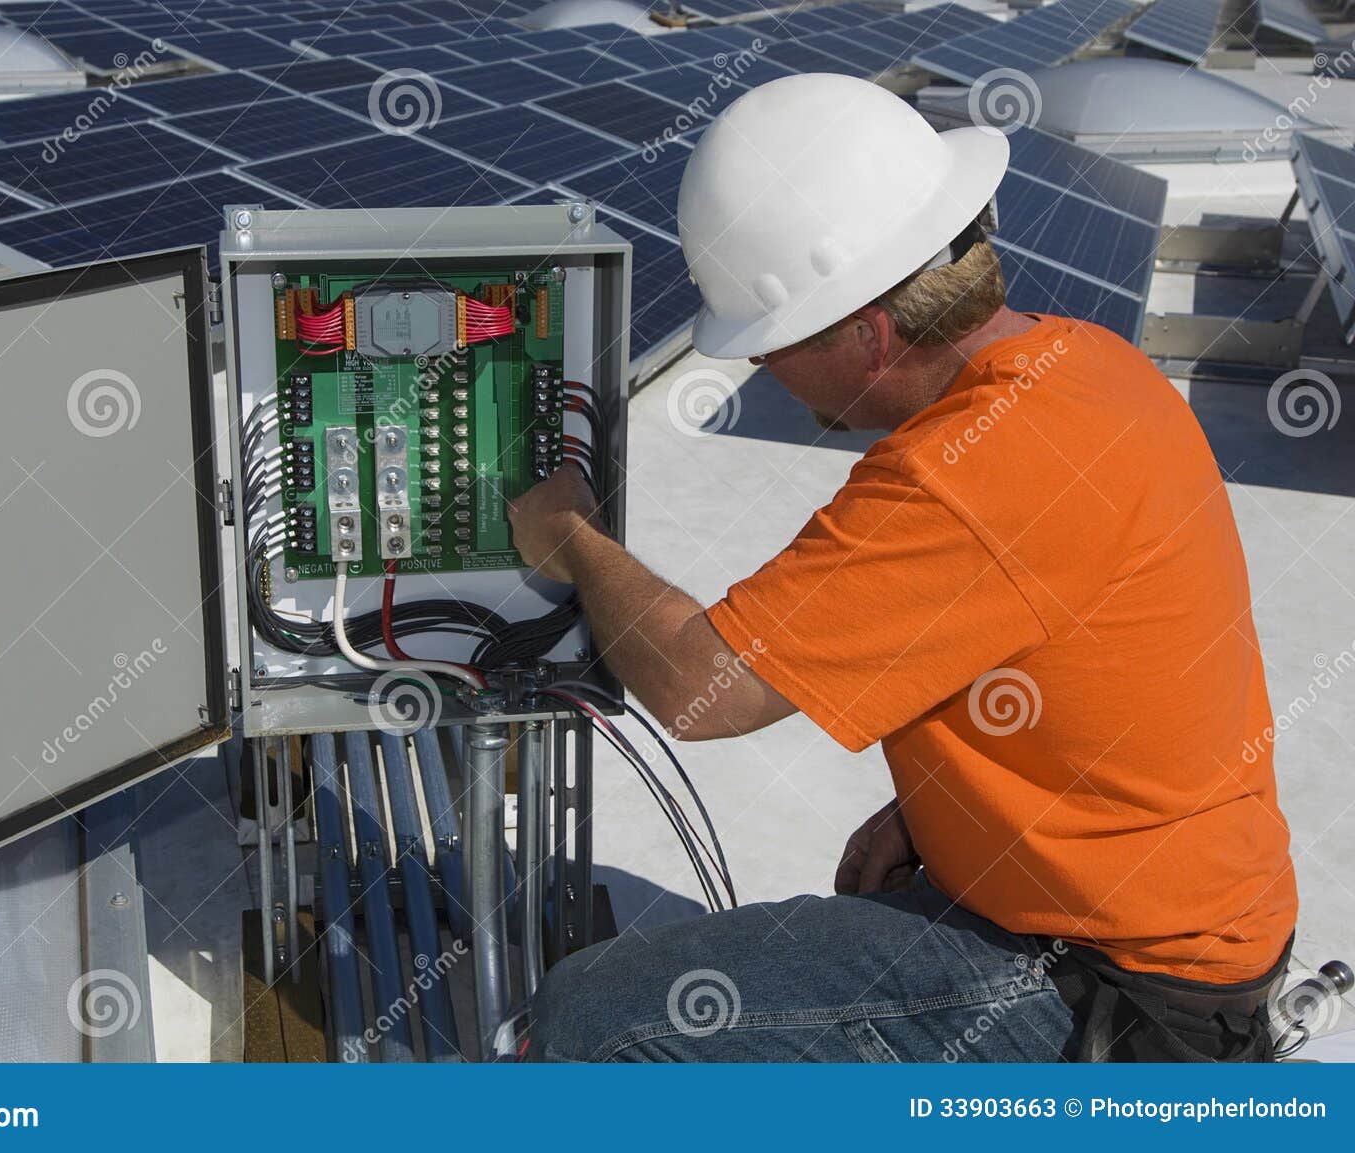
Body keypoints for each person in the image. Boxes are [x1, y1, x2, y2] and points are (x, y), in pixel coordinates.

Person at [506, 74, 1296, 1062]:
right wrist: (936, 820)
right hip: (1201, 931)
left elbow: (702, 688)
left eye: (768, 347)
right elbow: (1095, 681)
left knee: (593, 1013)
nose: (759, 370)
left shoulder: (963, 478)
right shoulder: (1092, 365)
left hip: (1120, 992)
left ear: (870, 333)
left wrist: (570, 534)